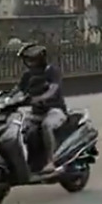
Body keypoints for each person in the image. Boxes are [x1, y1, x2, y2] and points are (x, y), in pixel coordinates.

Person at [14, 43, 67, 173]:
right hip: (36, 113)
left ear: (40, 59)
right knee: (19, 127)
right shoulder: (28, 75)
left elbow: (53, 90)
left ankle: (51, 161)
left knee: (47, 125)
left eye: (31, 59)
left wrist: (41, 98)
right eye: (26, 60)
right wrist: (5, 99)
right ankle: (29, 160)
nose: (29, 62)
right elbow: (17, 91)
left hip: (54, 110)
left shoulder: (51, 71)